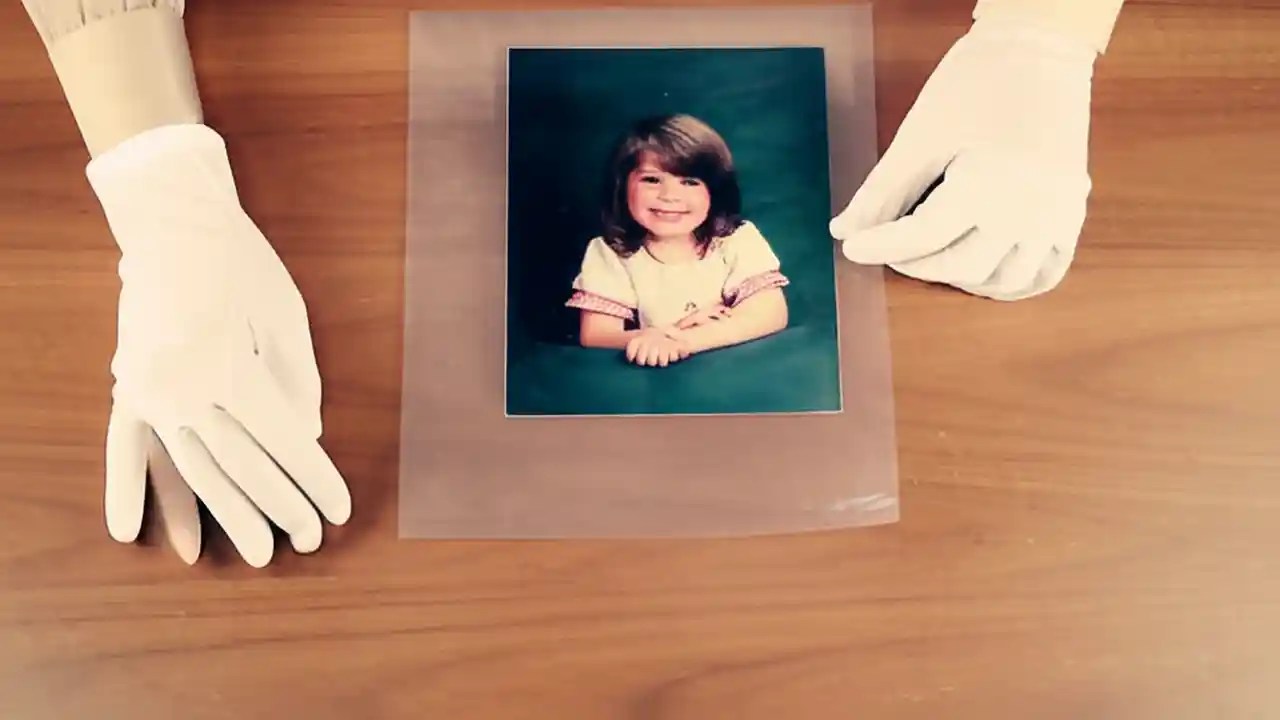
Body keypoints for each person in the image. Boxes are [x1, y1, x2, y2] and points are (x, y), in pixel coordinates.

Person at [16, 0, 1128, 566]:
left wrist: (1046, 28)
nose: (666, 201)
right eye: (648, 184)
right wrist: (155, 178)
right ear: (623, 191)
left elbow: (781, 308)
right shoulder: (610, 262)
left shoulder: (739, 250)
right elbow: (598, 335)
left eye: (684, 184)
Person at [568, 114, 790, 368]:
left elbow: (770, 313)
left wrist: (684, 340)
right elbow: (596, 333)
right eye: (652, 180)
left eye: (689, 182)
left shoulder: (737, 239)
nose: (669, 196)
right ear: (622, 186)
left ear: (714, 191)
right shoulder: (610, 251)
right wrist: (661, 335)